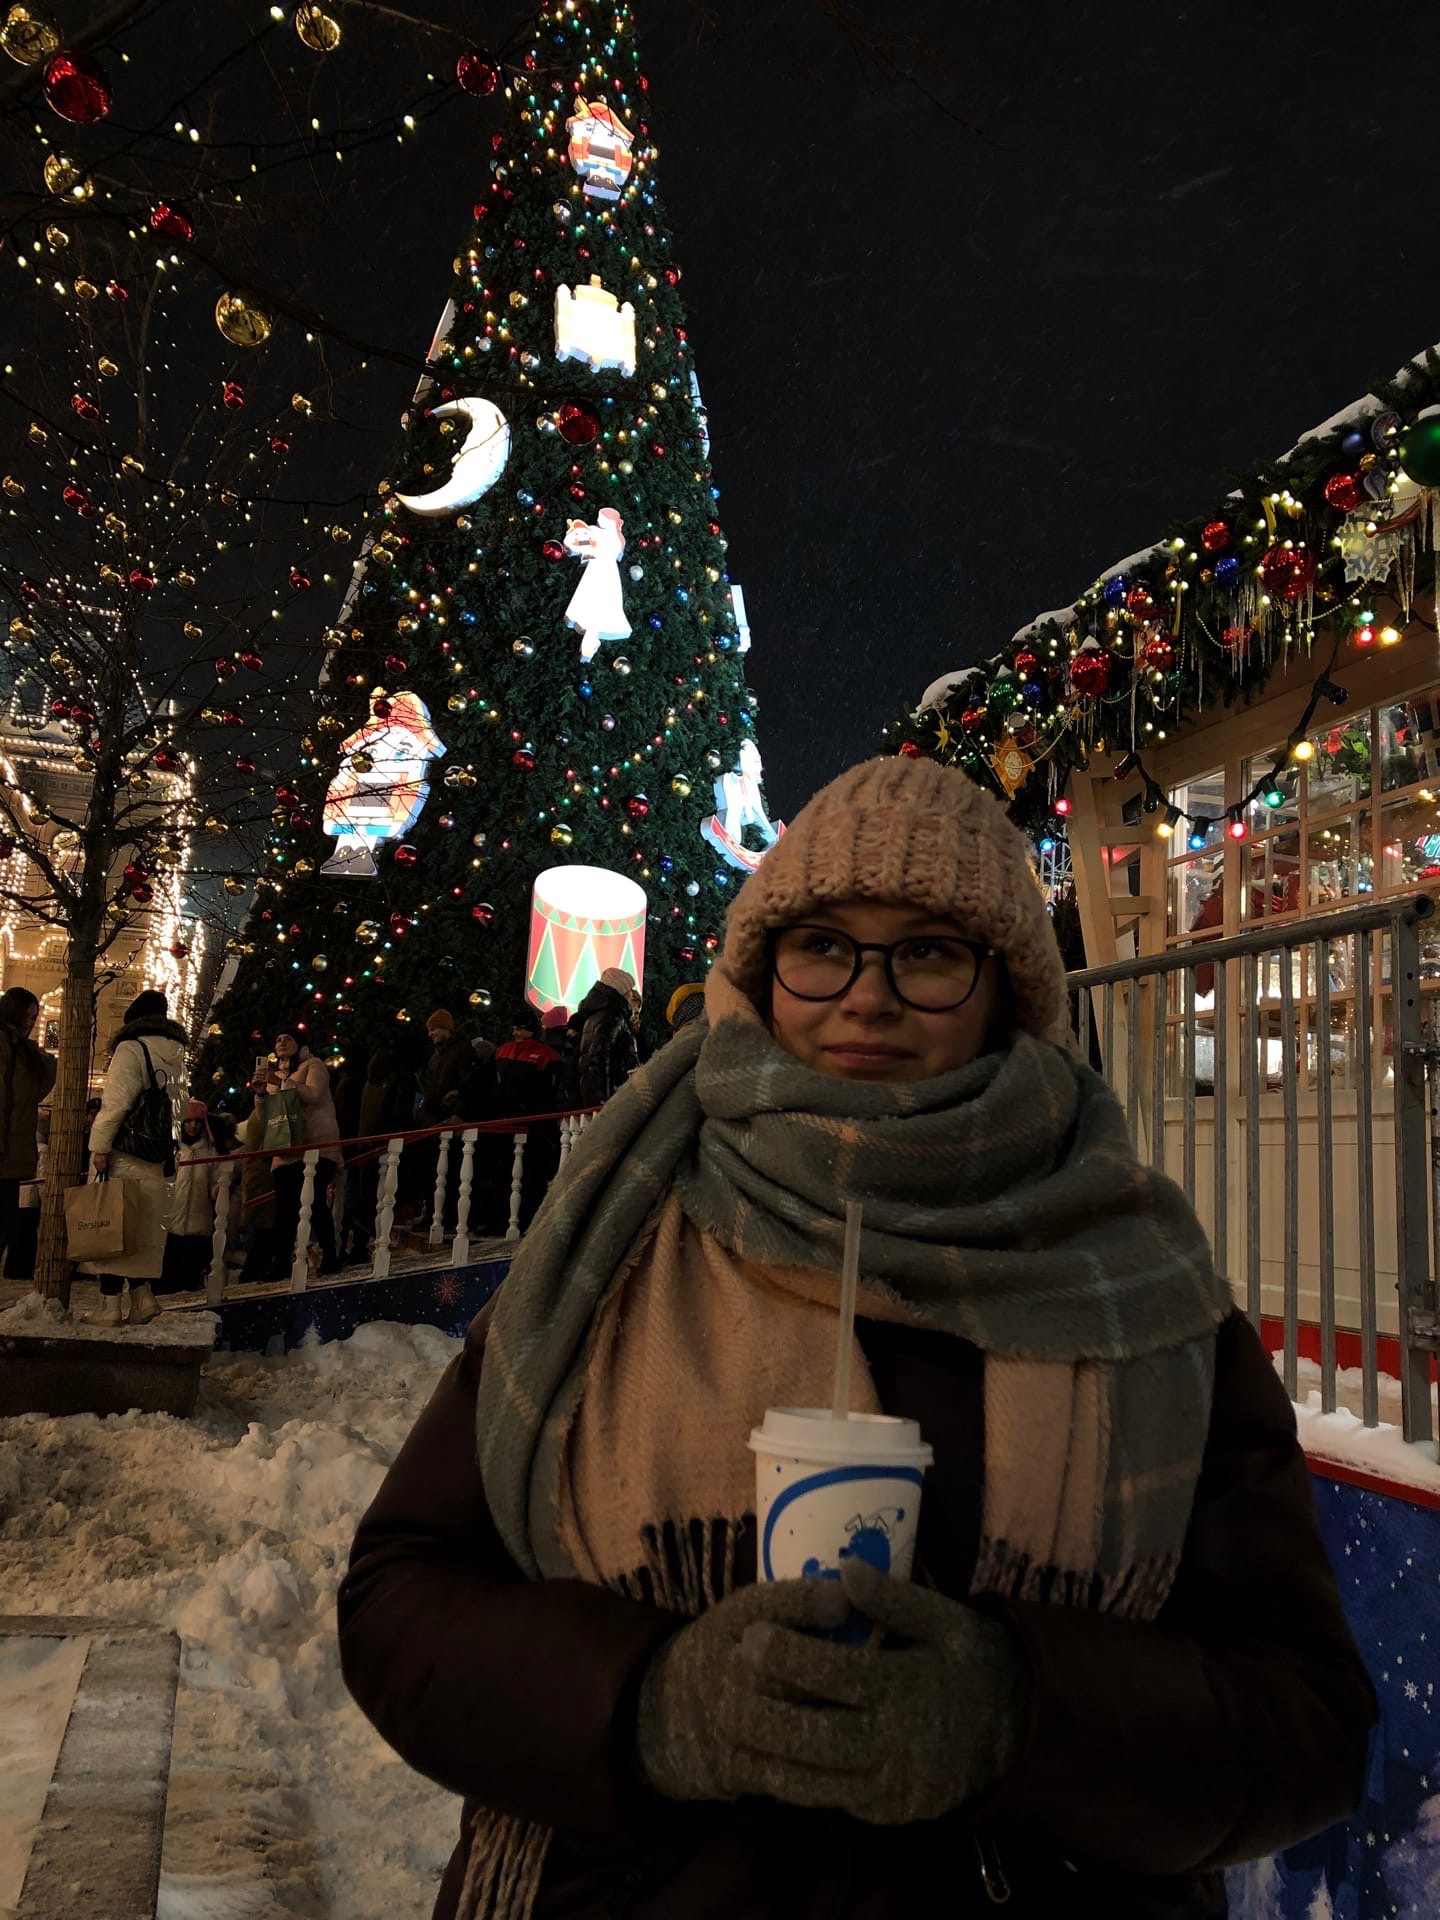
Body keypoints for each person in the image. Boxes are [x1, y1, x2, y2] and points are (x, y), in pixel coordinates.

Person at [338, 755, 1375, 1920]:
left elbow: (1307, 1719)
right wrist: (645, 1704)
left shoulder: (1139, 1279)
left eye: (928, 950)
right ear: (762, 972)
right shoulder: (614, 1245)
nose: (866, 995)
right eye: (821, 943)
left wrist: (1019, 1718)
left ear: (1007, 991)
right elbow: (401, 1597)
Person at [81, 988, 187, 1327]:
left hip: (127, 1153)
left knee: (113, 1226)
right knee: (143, 1231)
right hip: (159, 1157)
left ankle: (109, 1307)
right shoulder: (177, 1054)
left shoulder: (131, 1049)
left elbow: (116, 1104)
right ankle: (143, 1299)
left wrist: (99, 1146)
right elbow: (181, 1108)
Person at [253, 1029, 340, 1279]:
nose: (281, 1042)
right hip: (286, 1148)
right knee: (285, 1209)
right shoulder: (276, 1075)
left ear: (300, 1044)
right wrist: (260, 1093)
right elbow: (266, 1117)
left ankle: (330, 1255)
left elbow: (313, 1095)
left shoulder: (314, 1065)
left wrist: (280, 1082)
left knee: (313, 1202)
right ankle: (281, 1262)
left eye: (287, 1038)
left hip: (316, 1145)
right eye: (278, 1039)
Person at [0, 986, 55, 1274]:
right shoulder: (5, 1046)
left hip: (11, 1157)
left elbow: (31, 1095)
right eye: (29, 1016)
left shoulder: (22, 1050)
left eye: (35, 1017)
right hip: (5, 1153)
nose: (31, 1023)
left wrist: (44, 1062)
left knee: (7, 1228)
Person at [160, 1098, 219, 1296]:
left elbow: (214, 1180)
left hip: (198, 1221)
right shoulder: (172, 1150)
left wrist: (217, 1190)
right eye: (188, 1121)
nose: (193, 1126)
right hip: (172, 1221)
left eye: (197, 1122)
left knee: (191, 1272)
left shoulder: (210, 1151)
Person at [575, 967, 639, 1105]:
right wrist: (602, 1100)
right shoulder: (613, 1017)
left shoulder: (598, 1015)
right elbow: (600, 1058)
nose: (631, 995)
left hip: (603, 1093)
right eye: (629, 990)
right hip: (614, 1095)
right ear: (621, 991)